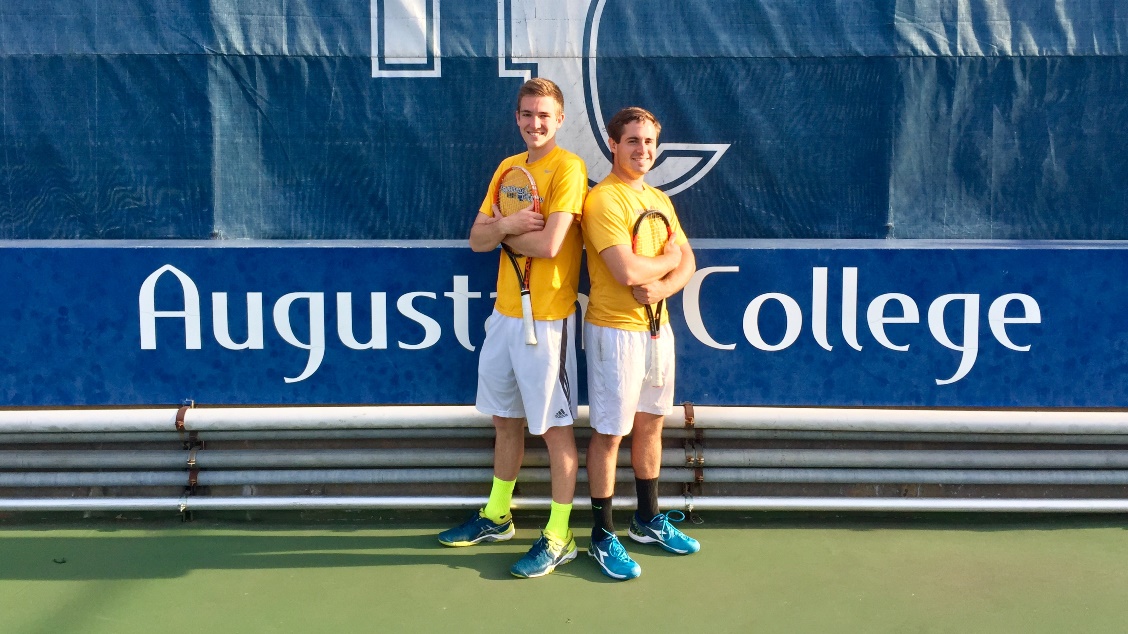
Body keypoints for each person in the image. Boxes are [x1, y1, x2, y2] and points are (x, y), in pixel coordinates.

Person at [437, 78, 588, 579]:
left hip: (547, 320)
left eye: (544, 115)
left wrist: (503, 232)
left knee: (556, 431)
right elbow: (477, 239)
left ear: (560, 119)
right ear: (517, 117)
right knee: (505, 420)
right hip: (504, 316)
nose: (535, 123)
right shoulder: (507, 168)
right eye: (527, 114)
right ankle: (498, 516)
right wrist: (507, 226)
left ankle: (560, 535)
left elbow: (550, 245)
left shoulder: (569, 168)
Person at [580, 106, 700, 580]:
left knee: (651, 425)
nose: (643, 150)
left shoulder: (659, 199)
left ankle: (647, 520)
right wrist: (665, 263)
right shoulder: (603, 200)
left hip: (657, 330)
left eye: (649, 141)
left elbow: (688, 261)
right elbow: (626, 271)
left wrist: (663, 287)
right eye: (633, 141)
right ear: (613, 145)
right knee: (611, 433)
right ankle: (601, 534)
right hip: (614, 332)